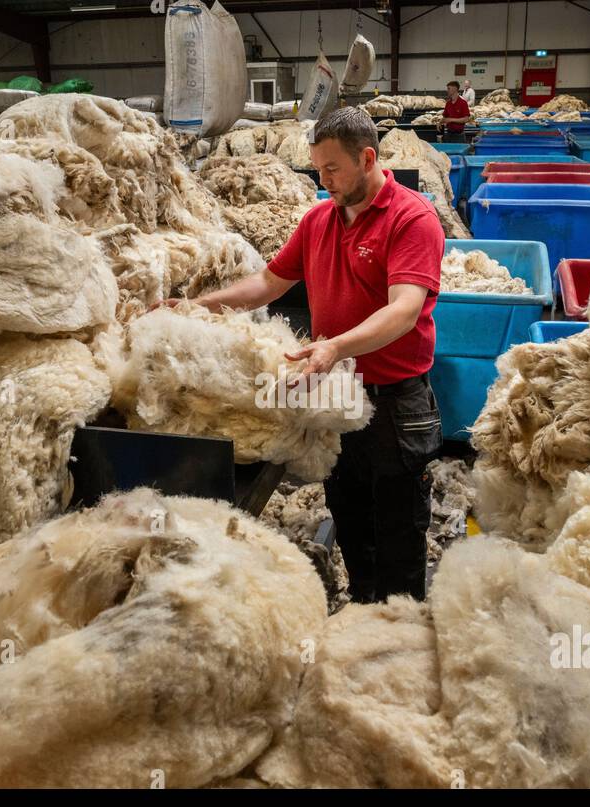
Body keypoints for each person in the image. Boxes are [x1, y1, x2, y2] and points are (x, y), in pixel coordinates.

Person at [173, 107, 445, 603]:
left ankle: (402, 636)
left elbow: (404, 309)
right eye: (317, 169)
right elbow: (266, 284)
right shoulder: (319, 219)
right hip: (336, 400)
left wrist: (337, 346)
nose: (323, 181)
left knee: (398, 536)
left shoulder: (412, 219)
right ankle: (364, 618)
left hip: (395, 408)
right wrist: (194, 307)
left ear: (367, 158)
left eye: (332, 169)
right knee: (353, 521)